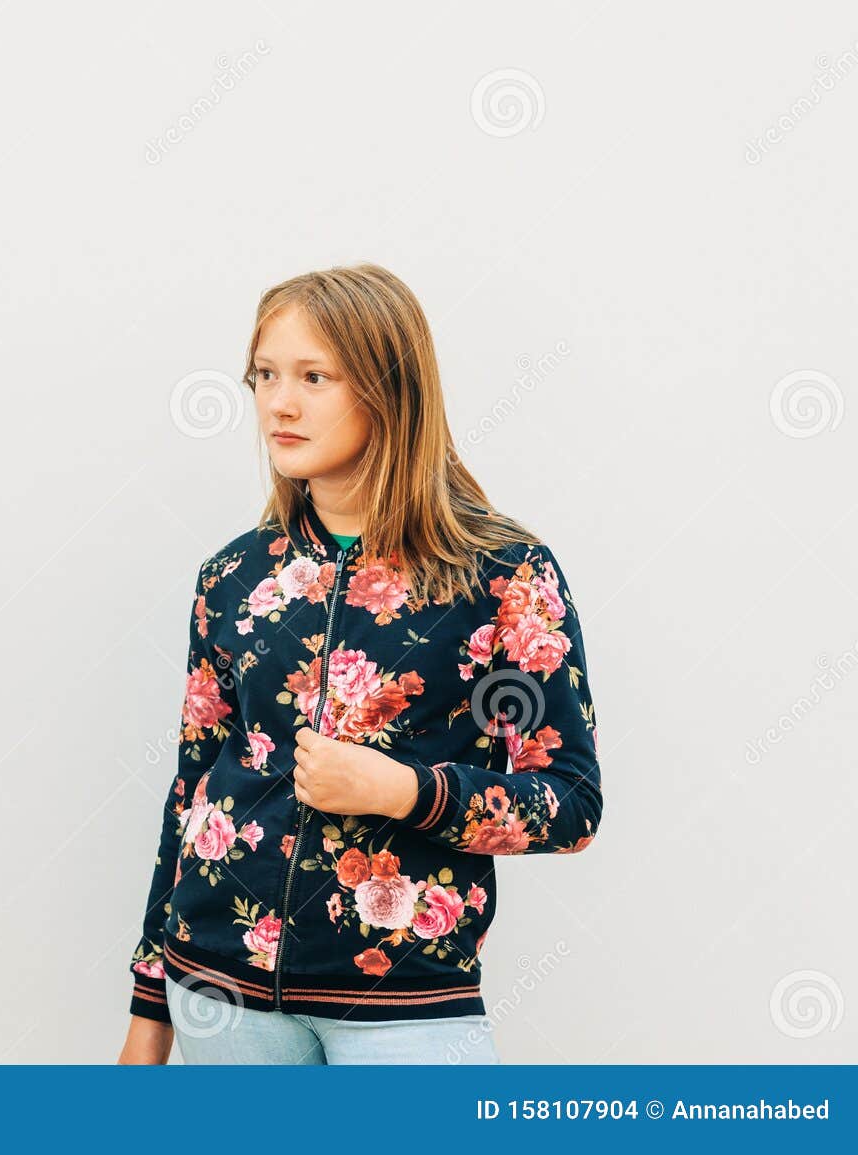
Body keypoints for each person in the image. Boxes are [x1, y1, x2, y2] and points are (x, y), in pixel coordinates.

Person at [119, 264, 602, 1065]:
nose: (280, 402)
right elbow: (191, 790)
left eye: (315, 376)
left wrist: (402, 790)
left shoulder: (501, 574)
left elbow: (571, 803)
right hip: (217, 992)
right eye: (265, 375)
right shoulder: (235, 578)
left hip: (405, 1001)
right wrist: (147, 1011)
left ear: (389, 391)